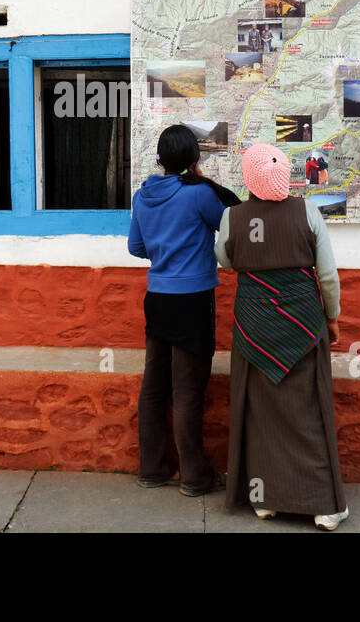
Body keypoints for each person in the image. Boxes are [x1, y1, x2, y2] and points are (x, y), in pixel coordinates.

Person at [217, 142, 348, 530]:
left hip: (254, 327)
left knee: (261, 412)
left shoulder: (232, 217)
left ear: (249, 178)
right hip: (304, 326)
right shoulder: (307, 211)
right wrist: (333, 317)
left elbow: (224, 259)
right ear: (284, 174)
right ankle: (324, 506)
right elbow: (327, 274)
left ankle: (264, 499)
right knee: (309, 411)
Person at [128, 125, 240, 496]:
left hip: (157, 299)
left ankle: (152, 468)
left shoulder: (143, 195)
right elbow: (229, 224)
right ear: (195, 160)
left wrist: (164, 250)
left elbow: (136, 248)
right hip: (192, 301)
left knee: (154, 386)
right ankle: (194, 476)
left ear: (160, 159)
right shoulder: (199, 195)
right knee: (188, 389)